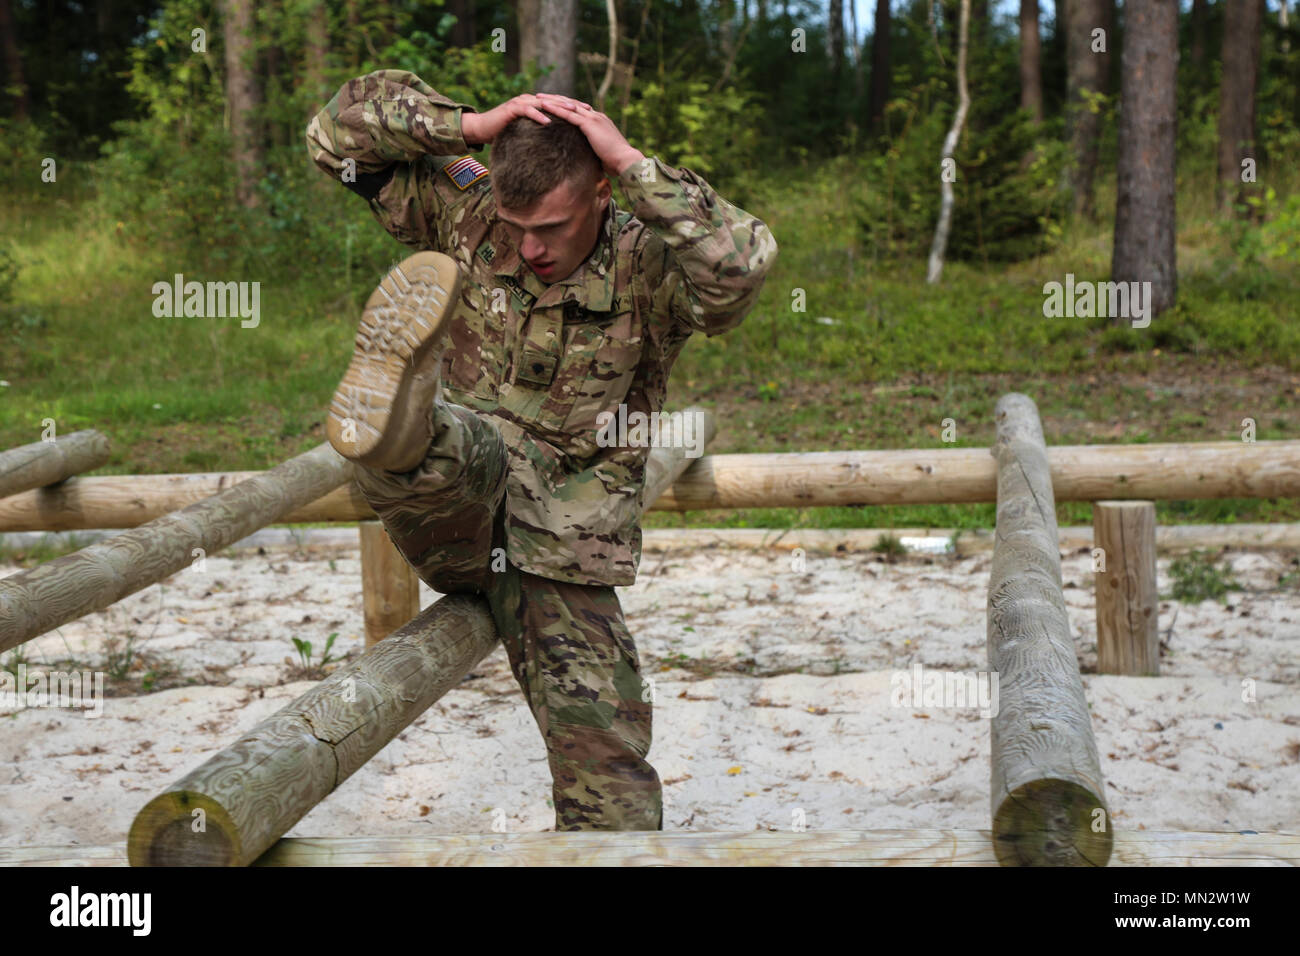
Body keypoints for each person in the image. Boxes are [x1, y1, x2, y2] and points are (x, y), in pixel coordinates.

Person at [306, 70, 776, 831]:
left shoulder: (646, 263)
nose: (529, 248)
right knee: (462, 449)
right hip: (449, 512)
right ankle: (399, 426)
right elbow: (333, 135)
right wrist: (468, 126)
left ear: (599, 195)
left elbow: (739, 269)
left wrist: (630, 162)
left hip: (560, 549)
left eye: (551, 229)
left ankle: (407, 428)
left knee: (612, 782)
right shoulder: (467, 209)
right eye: (516, 223)